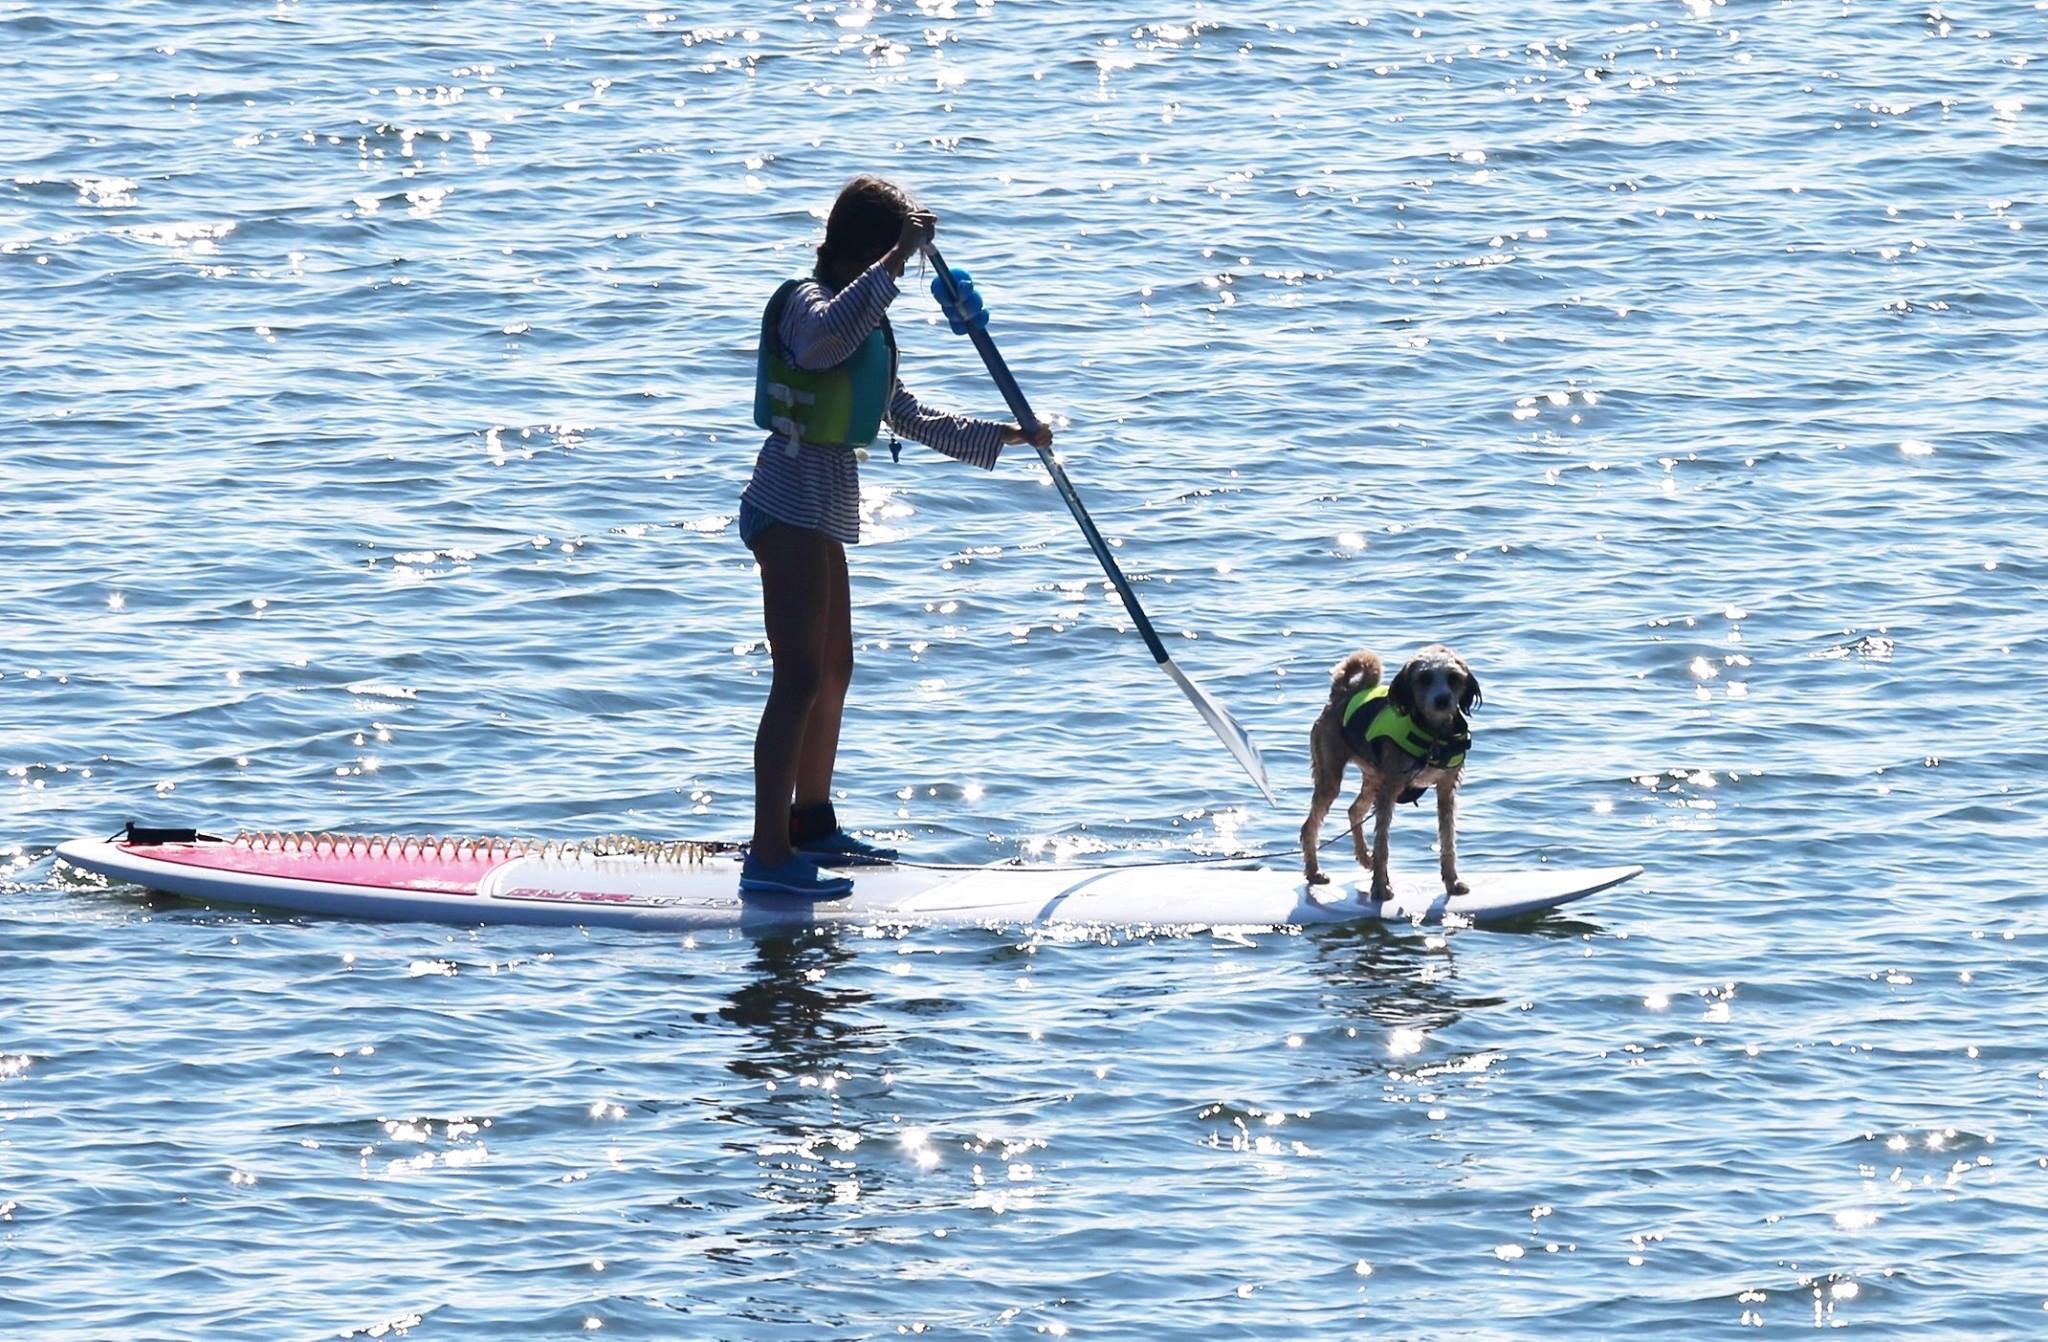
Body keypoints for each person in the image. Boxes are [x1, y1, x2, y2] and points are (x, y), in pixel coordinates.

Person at [738, 176, 1052, 898]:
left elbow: (905, 415)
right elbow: (818, 345)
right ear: (870, 251)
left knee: (835, 670)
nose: (902, 279)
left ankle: (812, 823)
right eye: (897, 263)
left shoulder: (867, 320)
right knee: (799, 678)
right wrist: (891, 263)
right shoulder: (805, 304)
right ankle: (769, 854)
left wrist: (1010, 437)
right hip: (785, 507)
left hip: (824, 513)